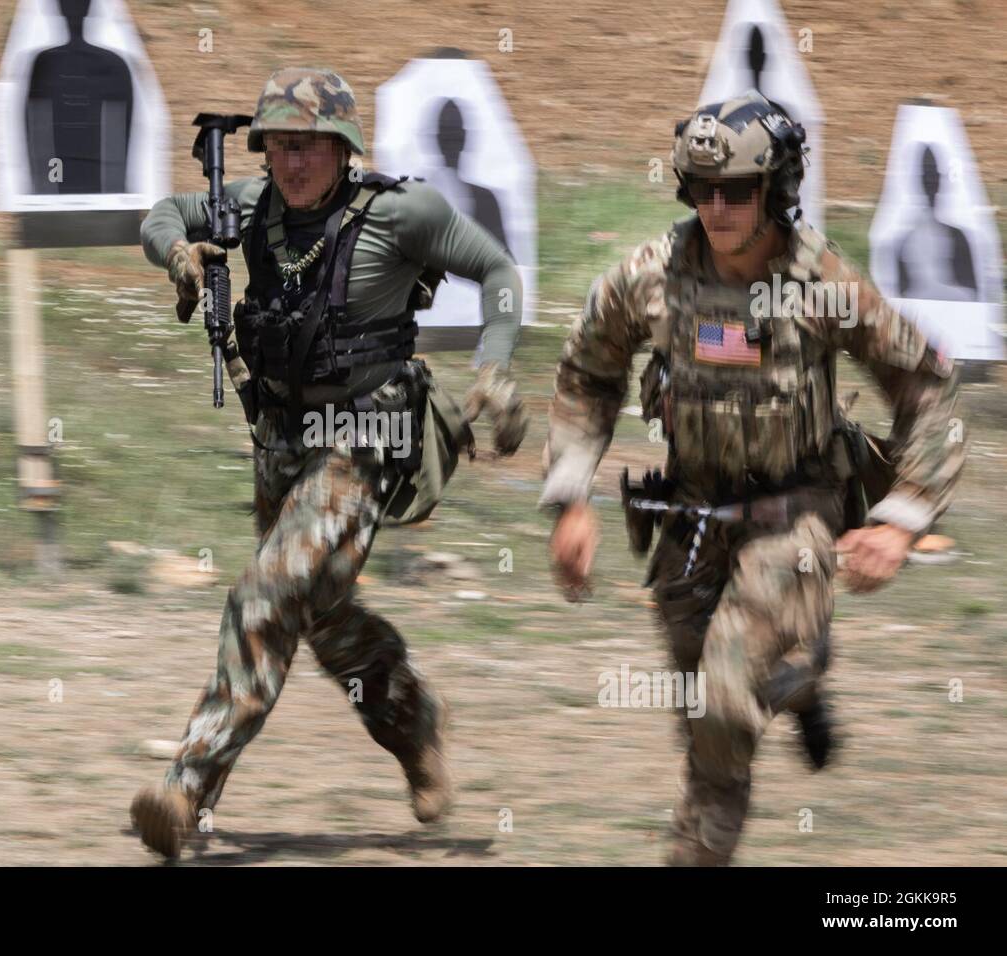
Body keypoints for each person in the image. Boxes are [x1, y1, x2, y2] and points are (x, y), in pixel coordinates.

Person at [542, 90, 965, 865]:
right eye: (702, 189)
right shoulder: (652, 275)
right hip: (690, 518)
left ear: (775, 189)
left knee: (725, 699)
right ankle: (798, 680)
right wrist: (571, 495)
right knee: (706, 727)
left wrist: (903, 516)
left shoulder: (822, 281)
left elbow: (926, 388)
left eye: (736, 190)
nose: (717, 206)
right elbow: (586, 370)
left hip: (794, 517)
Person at [130, 66, 528, 860]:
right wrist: (176, 252)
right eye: (278, 145)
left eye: (308, 145)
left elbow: (501, 274)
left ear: (342, 147)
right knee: (318, 617)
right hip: (279, 440)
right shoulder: (251, 204)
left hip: (365, 442)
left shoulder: (400, 212)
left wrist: (496, 367)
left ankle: (185, 786)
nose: (292, 162)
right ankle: (413, 722)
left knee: (266, 594)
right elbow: (163, 213)